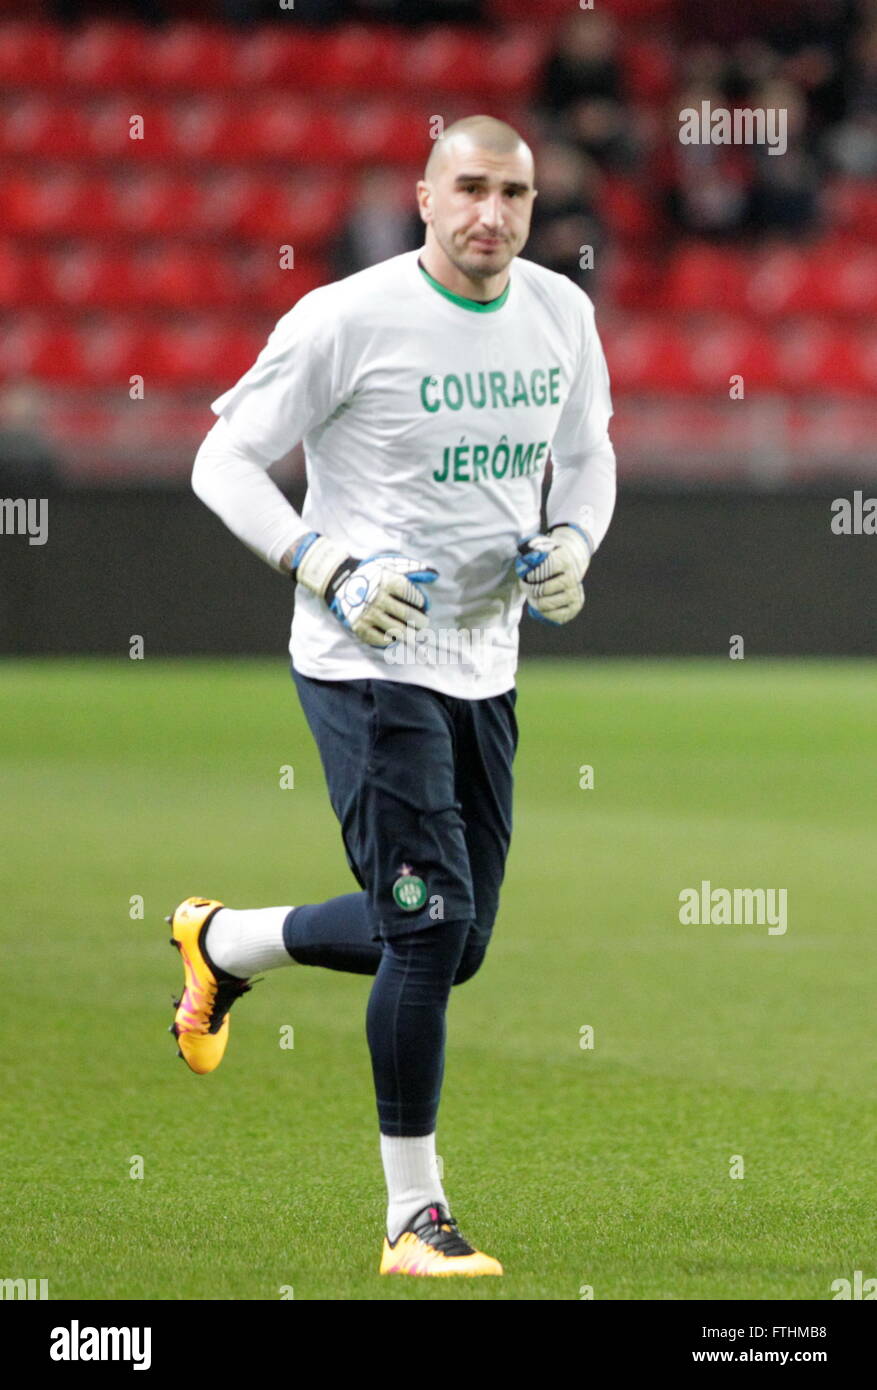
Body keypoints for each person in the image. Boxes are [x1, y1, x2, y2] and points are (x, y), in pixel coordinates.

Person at [170, 114, 616, 1277]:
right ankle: (413, 1215)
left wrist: (573, 539)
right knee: (427, 930)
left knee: (452, 938)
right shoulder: (346, 317)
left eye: (513, 194)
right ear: (422, 194)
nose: (493, 214)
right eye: (469, 188)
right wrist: (326, 565)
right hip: (365, 660)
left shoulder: (561, 314)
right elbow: (219, 458)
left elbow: (588, 454)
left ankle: (225, 942)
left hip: (486, 661)